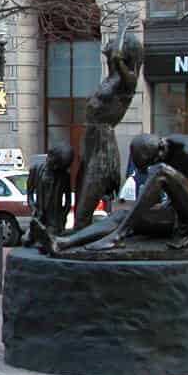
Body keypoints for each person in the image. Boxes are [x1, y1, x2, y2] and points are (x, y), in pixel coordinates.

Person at [50, 133, 188, 254]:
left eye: (152, 163)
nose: (152, 167)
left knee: (161, 172)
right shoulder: (164, 151)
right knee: (121, 215)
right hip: (177, 217)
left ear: (161, 150)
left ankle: (118, 235)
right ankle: (63, 242)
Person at [73, 30, 143, 227]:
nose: (109, 43)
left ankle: (81, 232)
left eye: (114, 42)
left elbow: (119, 63)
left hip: (102, 140)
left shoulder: (127, 79)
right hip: (90, 137)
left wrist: (118, 58)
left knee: (88, 194)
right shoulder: (111, 77)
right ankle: (79, 232)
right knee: (81, 189)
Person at [26, 143, 74, 248]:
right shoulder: (35, 170)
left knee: (49, 242)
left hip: (55, 219)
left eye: (60, 166)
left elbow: (68, 201)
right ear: (51, 156)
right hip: (39, 215)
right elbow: (29, 194)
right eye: (57, 164)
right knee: (27, 241)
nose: (57, 168)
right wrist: (33, 208)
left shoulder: (64, 175)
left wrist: (63, 216)